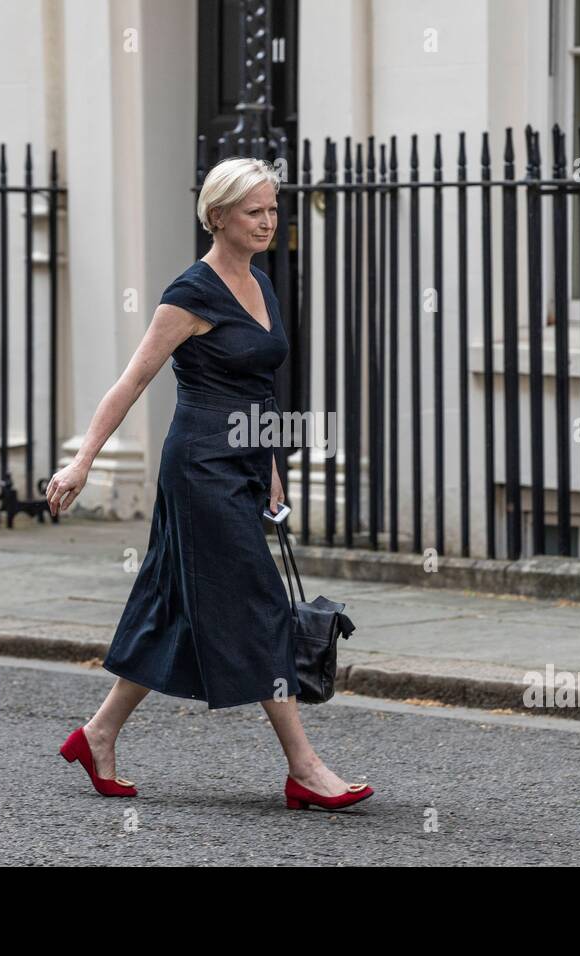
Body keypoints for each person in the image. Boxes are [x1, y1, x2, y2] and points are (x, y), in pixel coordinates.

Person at [45, 157, 373, 812]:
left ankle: (98, 734)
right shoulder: (189, 294)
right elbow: (133, 381)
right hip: (200, 469)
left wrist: (273, 462)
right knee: (260, 602)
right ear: (217, 216)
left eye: (273, 210)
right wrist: (82, 460)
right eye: (255, 212)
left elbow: (260, 386)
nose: (269, 222)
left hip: (245, 464)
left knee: (174, 605)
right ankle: (304, 767)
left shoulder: (262, 284)